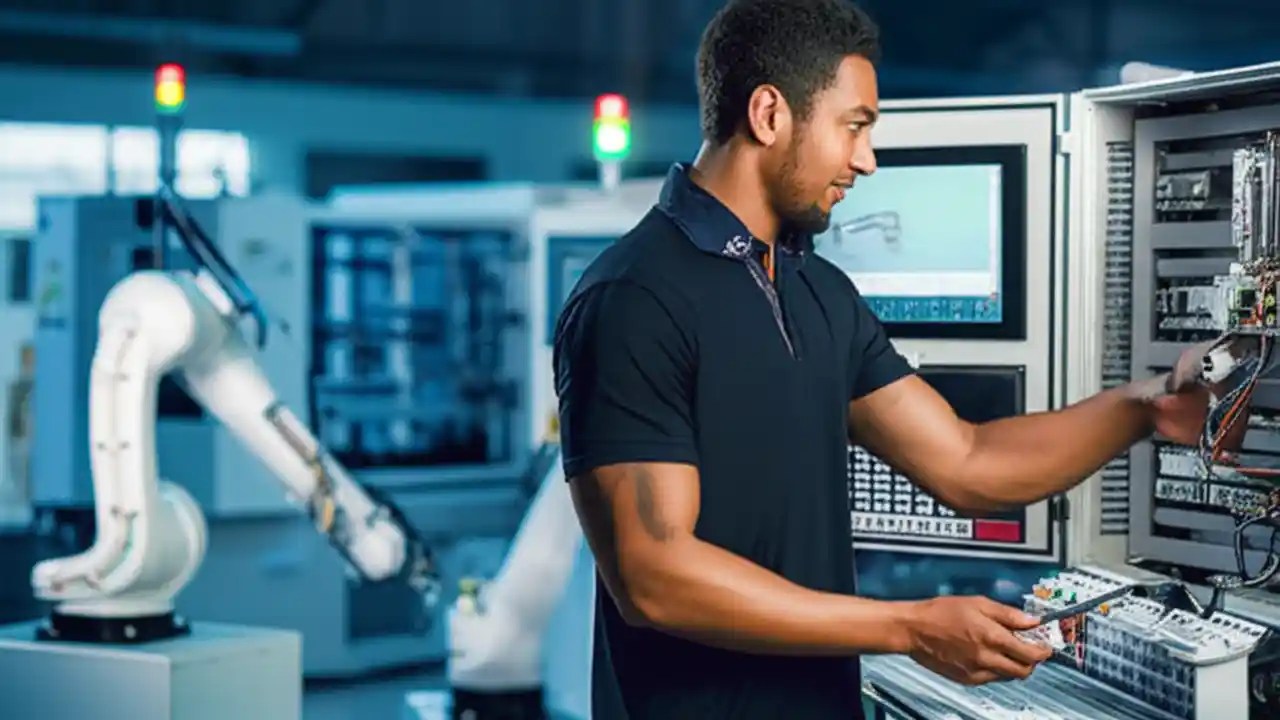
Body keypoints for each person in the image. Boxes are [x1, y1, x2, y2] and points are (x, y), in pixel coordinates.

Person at [551, 1, 1228, 718]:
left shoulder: (816, 291)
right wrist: (906, 625)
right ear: (770, 114)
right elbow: (655, 576)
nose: (867, 160)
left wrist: (1145, 406)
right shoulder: (633, 299)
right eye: (855, 126)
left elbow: (968, 462)